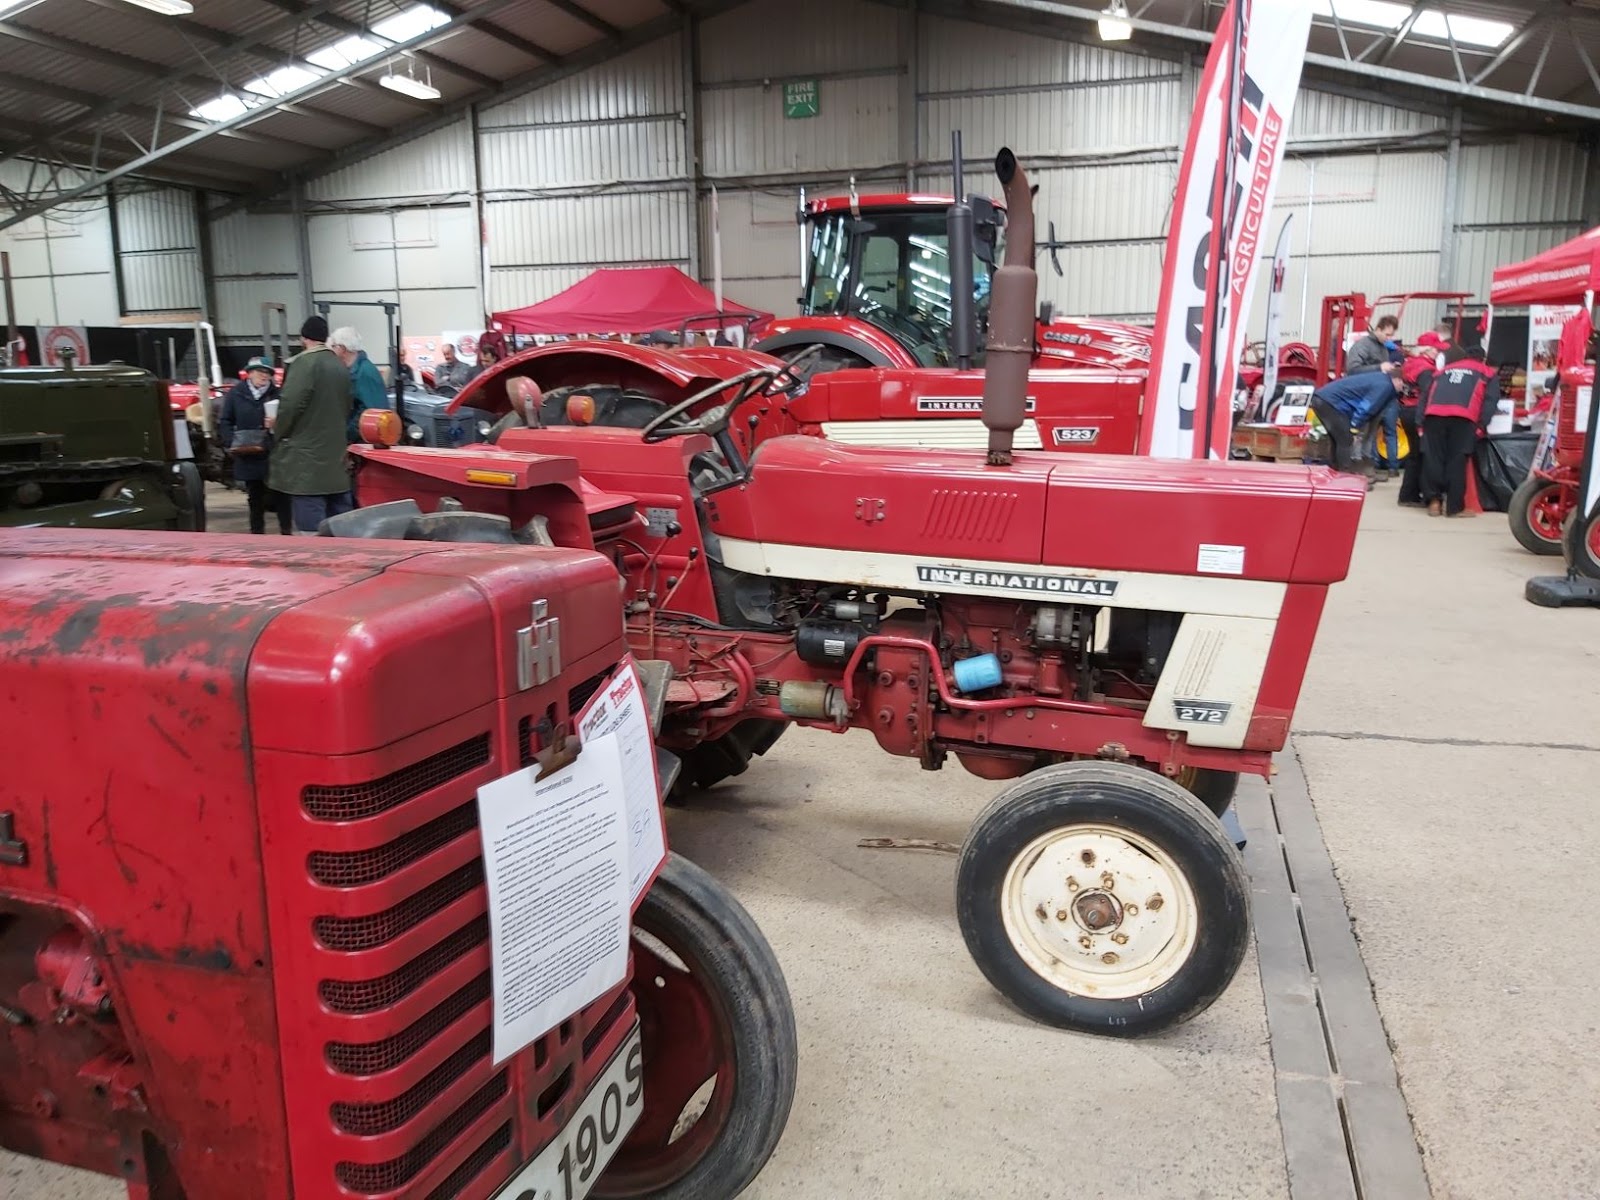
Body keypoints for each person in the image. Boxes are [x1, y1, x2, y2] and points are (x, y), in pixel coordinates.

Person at [269, 315, 355, 535]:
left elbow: (290, 406)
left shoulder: (303, 363)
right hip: (335, 458)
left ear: (303, 338)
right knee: (341, 524)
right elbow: (346, 406)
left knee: (311, 528)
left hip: (307, 463)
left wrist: (277, 429)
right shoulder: (339, 366)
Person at [1419, 343, 1499, 518]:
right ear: (1483, 359)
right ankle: (1455, 507)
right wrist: (1481, 426)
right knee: (1457, 460)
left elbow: (1425, 395)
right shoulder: (1487, 373)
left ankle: (1434, 502)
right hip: (1464, 417)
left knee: (1433, 458)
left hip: (1434, 414)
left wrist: (1420, 422)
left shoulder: (1442, 371)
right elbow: (1490, 402)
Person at [217, 355, 291, 535]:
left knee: (281, 495)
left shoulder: (278, 394)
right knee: (255, 496)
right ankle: (257, 534)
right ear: (249, 373)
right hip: (248, 453)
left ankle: (286, 532)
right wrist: (231, 442)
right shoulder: (235, 394)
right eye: (260, 372)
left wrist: (276, 424)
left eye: (267, 373)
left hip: (274, 453)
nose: (264, 376)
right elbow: (225, 421)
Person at [1310, 363, 1401, 482]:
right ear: (1397, 380)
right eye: (1403, 384)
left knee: (1337, 439)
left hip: (1323, 400)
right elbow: (1367, 406)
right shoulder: (1385, 385)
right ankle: (1345, 477)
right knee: (1345, 439)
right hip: (1330, 403)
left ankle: (1336, 472)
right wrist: (1355, 426)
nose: (1403, 388)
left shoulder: (1382, 381)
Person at [1396, 344, 1439, 507]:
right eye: (1435, 349)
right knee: (1422, 455)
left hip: (1406, 410)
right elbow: (1427, 395)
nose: (1438, 352)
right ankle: (1416, 494)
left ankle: (1408, 494)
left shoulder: (1410, 364)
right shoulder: (1426, 370)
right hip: (1417, 412)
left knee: (1414, 455)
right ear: (1426, 350)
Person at [328, 326, 387, 443]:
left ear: (342, 348)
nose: (332, 350)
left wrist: (345, 435)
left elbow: (369, 413)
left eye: (334, 346)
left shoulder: (365, 373)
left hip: (364, 443)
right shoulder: (356, 371)